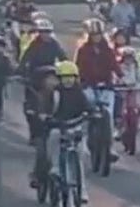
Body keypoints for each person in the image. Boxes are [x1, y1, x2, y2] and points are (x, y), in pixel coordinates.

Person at [35, 60, 95, 199]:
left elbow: (87, 107)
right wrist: (44, 115)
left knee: (81, 152)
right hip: (58, 126)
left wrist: (91, 112)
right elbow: (45, 107)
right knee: (54, 138)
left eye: (71, 77)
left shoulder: (79, 92)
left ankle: (82, 190)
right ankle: (55, 167)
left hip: (75, 126)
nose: (68, 81)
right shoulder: (54, 93)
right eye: (64, 77)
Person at [18, 17, 68, 144]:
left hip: (51, 73)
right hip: (34, 77)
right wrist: (21, 72)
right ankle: (35, 131)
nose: (45, 35)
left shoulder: (54, 44)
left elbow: (64, 58)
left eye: (48, 32)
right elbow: (25, 60)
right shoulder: (33, 44)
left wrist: (68, 68)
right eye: (43, 32)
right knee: (29, 107)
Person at [75, 18, 120, 147]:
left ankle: (110, 147)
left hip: (106, 85)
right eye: (93, 35)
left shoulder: (108, 50)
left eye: (98, 35)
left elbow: (114, 65)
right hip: (88, 85)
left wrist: (121, 76)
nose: (96, 37)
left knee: (109, 114)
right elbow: (77, 66)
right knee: (88, 111)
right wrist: (79, 80)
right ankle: (83, 141)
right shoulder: (82, 50)